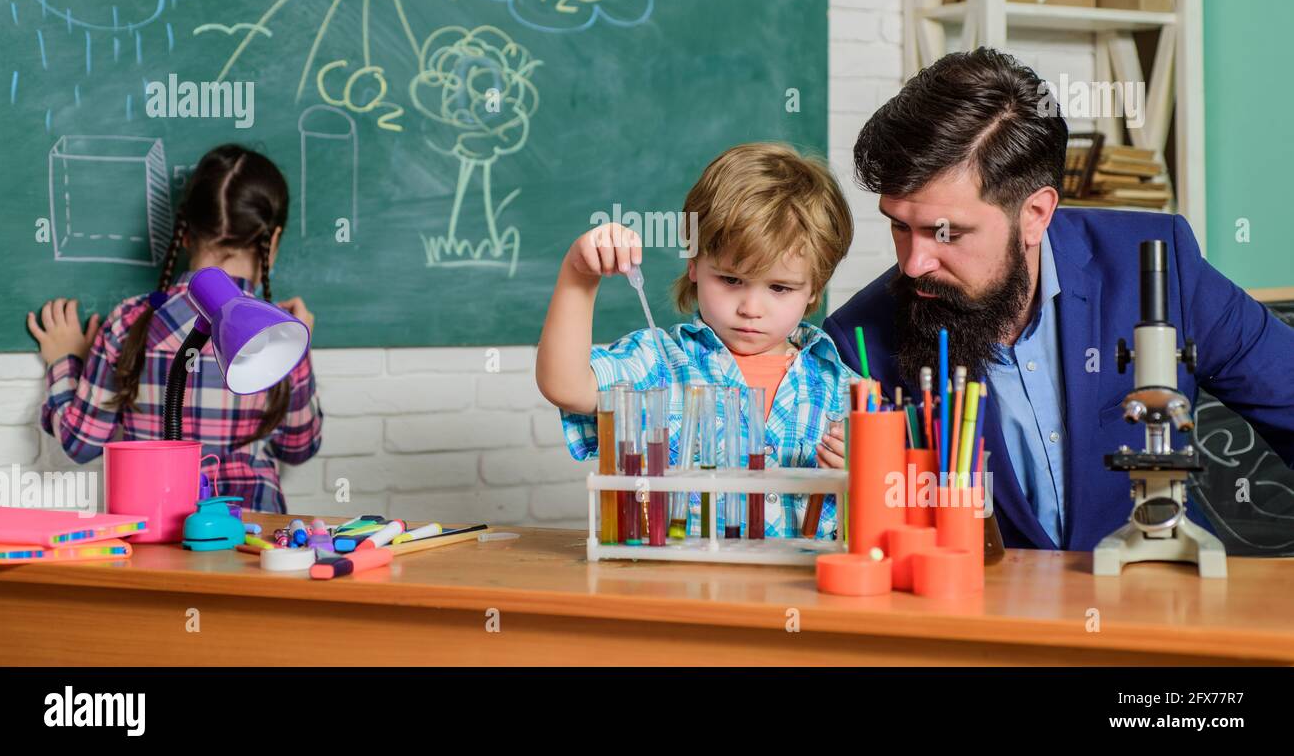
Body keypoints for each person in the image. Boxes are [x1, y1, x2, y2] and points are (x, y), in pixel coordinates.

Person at [824, 47, 1294, 550]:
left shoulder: (1157, 264)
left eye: (945, 233)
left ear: (1035, 214)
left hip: (1163, 609)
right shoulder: (859, 344)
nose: (914, 263)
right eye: (899, 226)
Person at [537, 143, 856, 537]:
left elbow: (874, 525)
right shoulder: (659, 361)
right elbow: (565, 386)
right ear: (693, 262)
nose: (751, 307)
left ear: (814, 289)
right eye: (731, 280)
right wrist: (579, 275)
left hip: (799, 594)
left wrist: (865, 474)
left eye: (779, 287)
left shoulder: (842, 389)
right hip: (673, 591)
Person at [32, 144, 323, 513]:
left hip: (154, 532)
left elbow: (81, 443)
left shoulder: (130, 320)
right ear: (273, 240)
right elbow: (299, 447)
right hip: (253, 545)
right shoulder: (280, 333)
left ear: (185, 232)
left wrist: (64, 361)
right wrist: (302, 347)